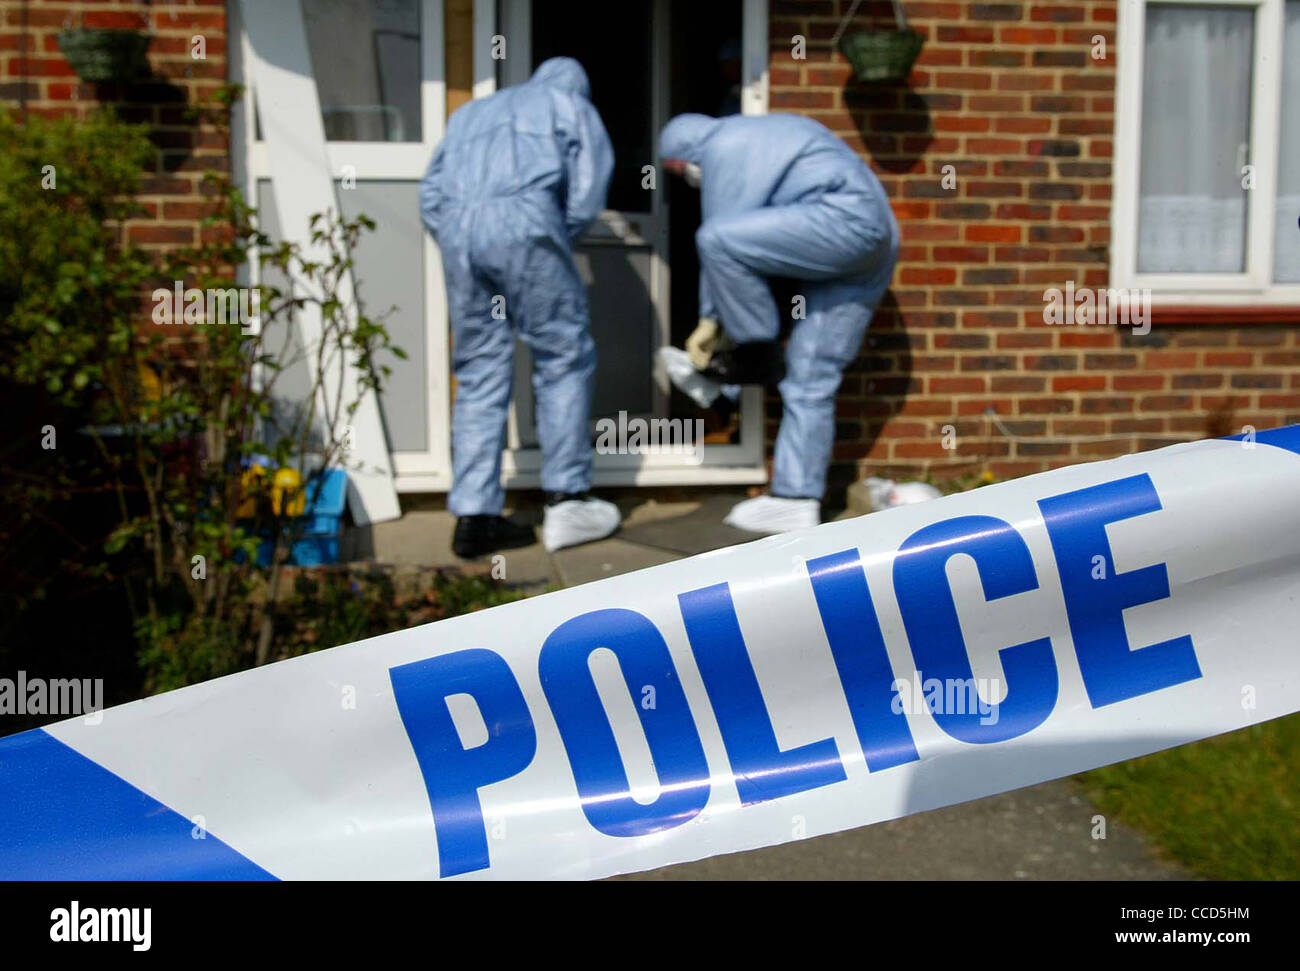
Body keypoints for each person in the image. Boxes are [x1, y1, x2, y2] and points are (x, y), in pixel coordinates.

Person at [658, 112, 899, 535]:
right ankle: (795, 498)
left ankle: (751, 360)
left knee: (715, 239)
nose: (686, 181)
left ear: (683, 158)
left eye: (677, 173)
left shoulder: (723, 146)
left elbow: (722, 240)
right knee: (811, 376)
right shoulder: (763, 132)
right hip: (874, 239)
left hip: (843, 221)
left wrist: (709, 320)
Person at [420, 57, 621, 558]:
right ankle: (567, 498)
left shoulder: (470, 114)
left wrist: (458, 234)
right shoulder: (568, 103)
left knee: (480, 369)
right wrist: (555, 232)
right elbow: (590, 188)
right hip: (526, 221)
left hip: (459, 231)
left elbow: (430, 195)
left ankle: (475, 517)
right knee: (562, 357)